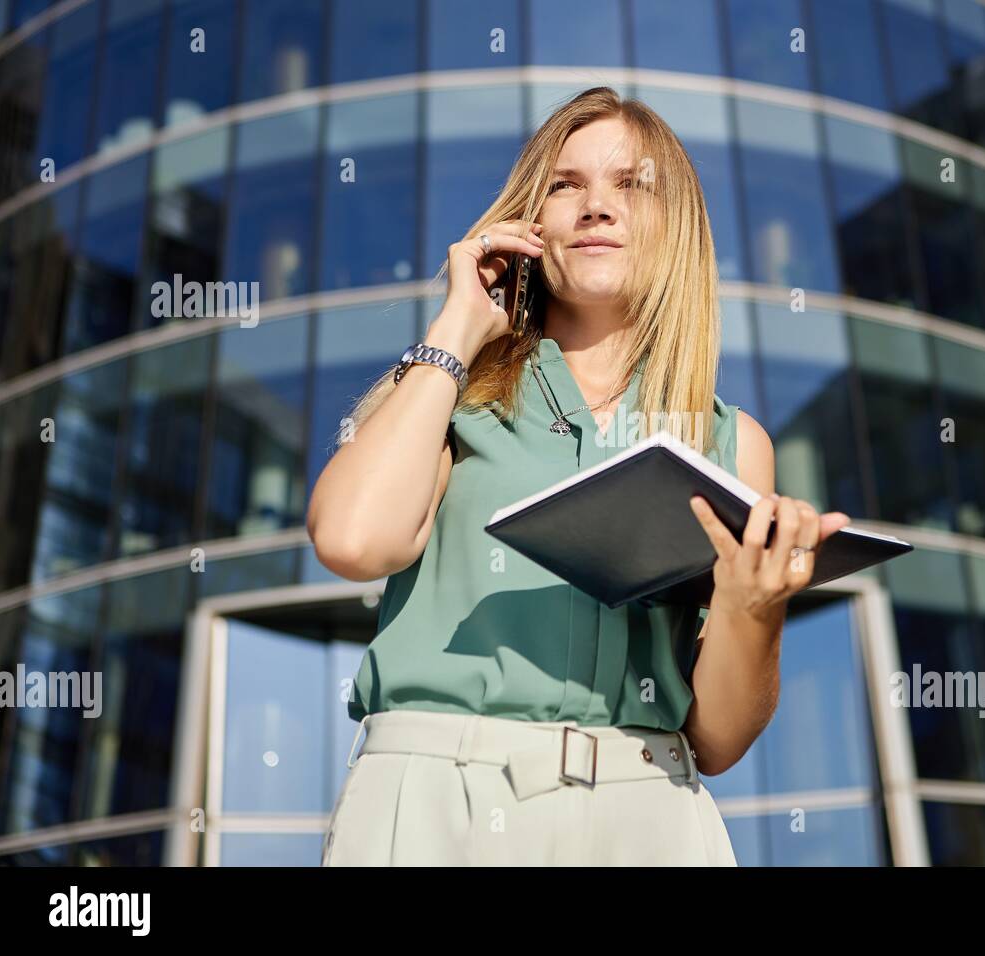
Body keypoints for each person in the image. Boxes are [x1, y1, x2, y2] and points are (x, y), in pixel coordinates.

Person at [307, 86, 849, 866]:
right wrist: (457, 327)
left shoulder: (732, 442)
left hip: (651, 814)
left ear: (678, 228)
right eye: (566, 185)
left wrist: (752, 608)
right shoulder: (447, 394)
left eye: (632, 184)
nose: (596, 207)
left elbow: (721, 738)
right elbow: (353, 541)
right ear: (530, 224)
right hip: (434, 804)